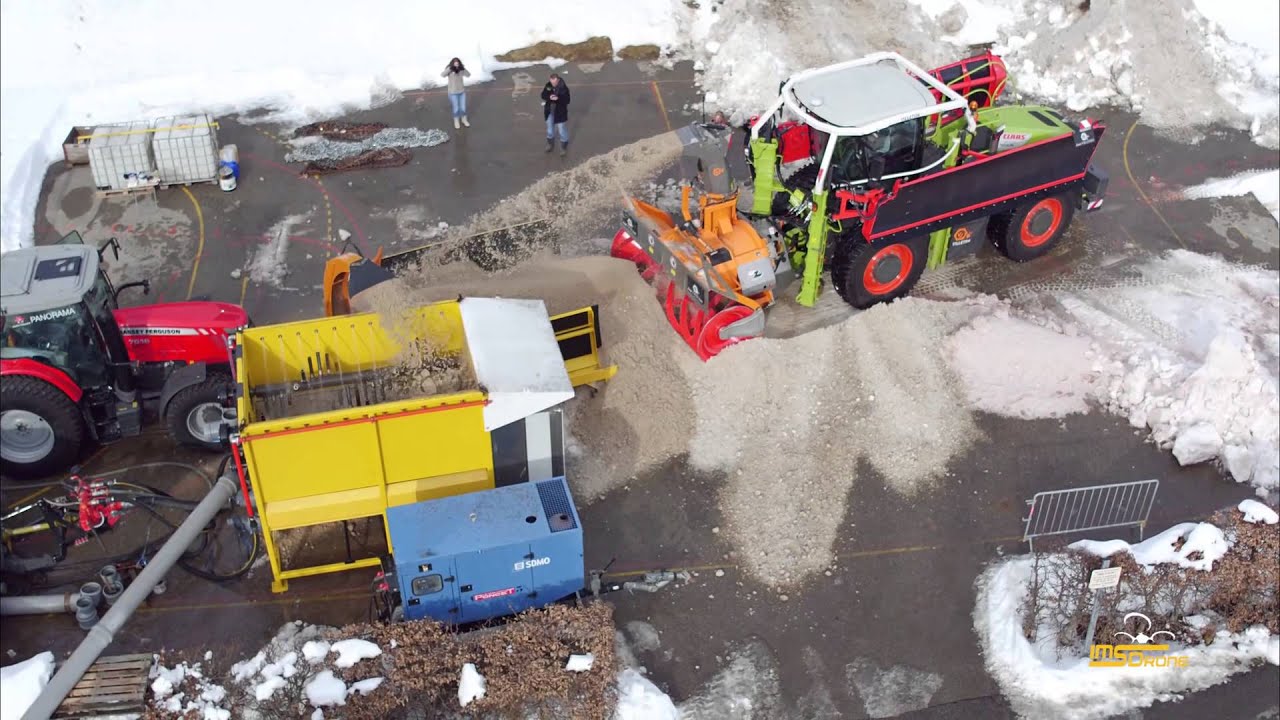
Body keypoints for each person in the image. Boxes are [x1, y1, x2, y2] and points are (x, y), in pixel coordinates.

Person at [541, 73, 571, 155]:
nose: (552, 84)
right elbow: (543, 95)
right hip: (549, 111)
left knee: (562, 130)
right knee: (550, 130)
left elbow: (567, 100)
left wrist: (558, 98)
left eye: (554, 83)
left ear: (558, 80)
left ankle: (563, 147)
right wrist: (549, 97)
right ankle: (550, 144)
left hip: (560, 113)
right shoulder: (548, 85)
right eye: (551, 82)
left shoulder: (564, 88)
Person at [442, 58, 471, 129]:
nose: (456, 64)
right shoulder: (450, 70)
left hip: (461, 92)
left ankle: (464, 120)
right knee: (456, 108)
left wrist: (463, 68)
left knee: (463, 107)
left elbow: (468, 75)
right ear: (452, 63)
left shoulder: (461, 70)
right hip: (453, 92)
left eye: (457, 63)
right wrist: (450, 68)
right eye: (455, 63)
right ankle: (456, 121)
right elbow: (443, 75)